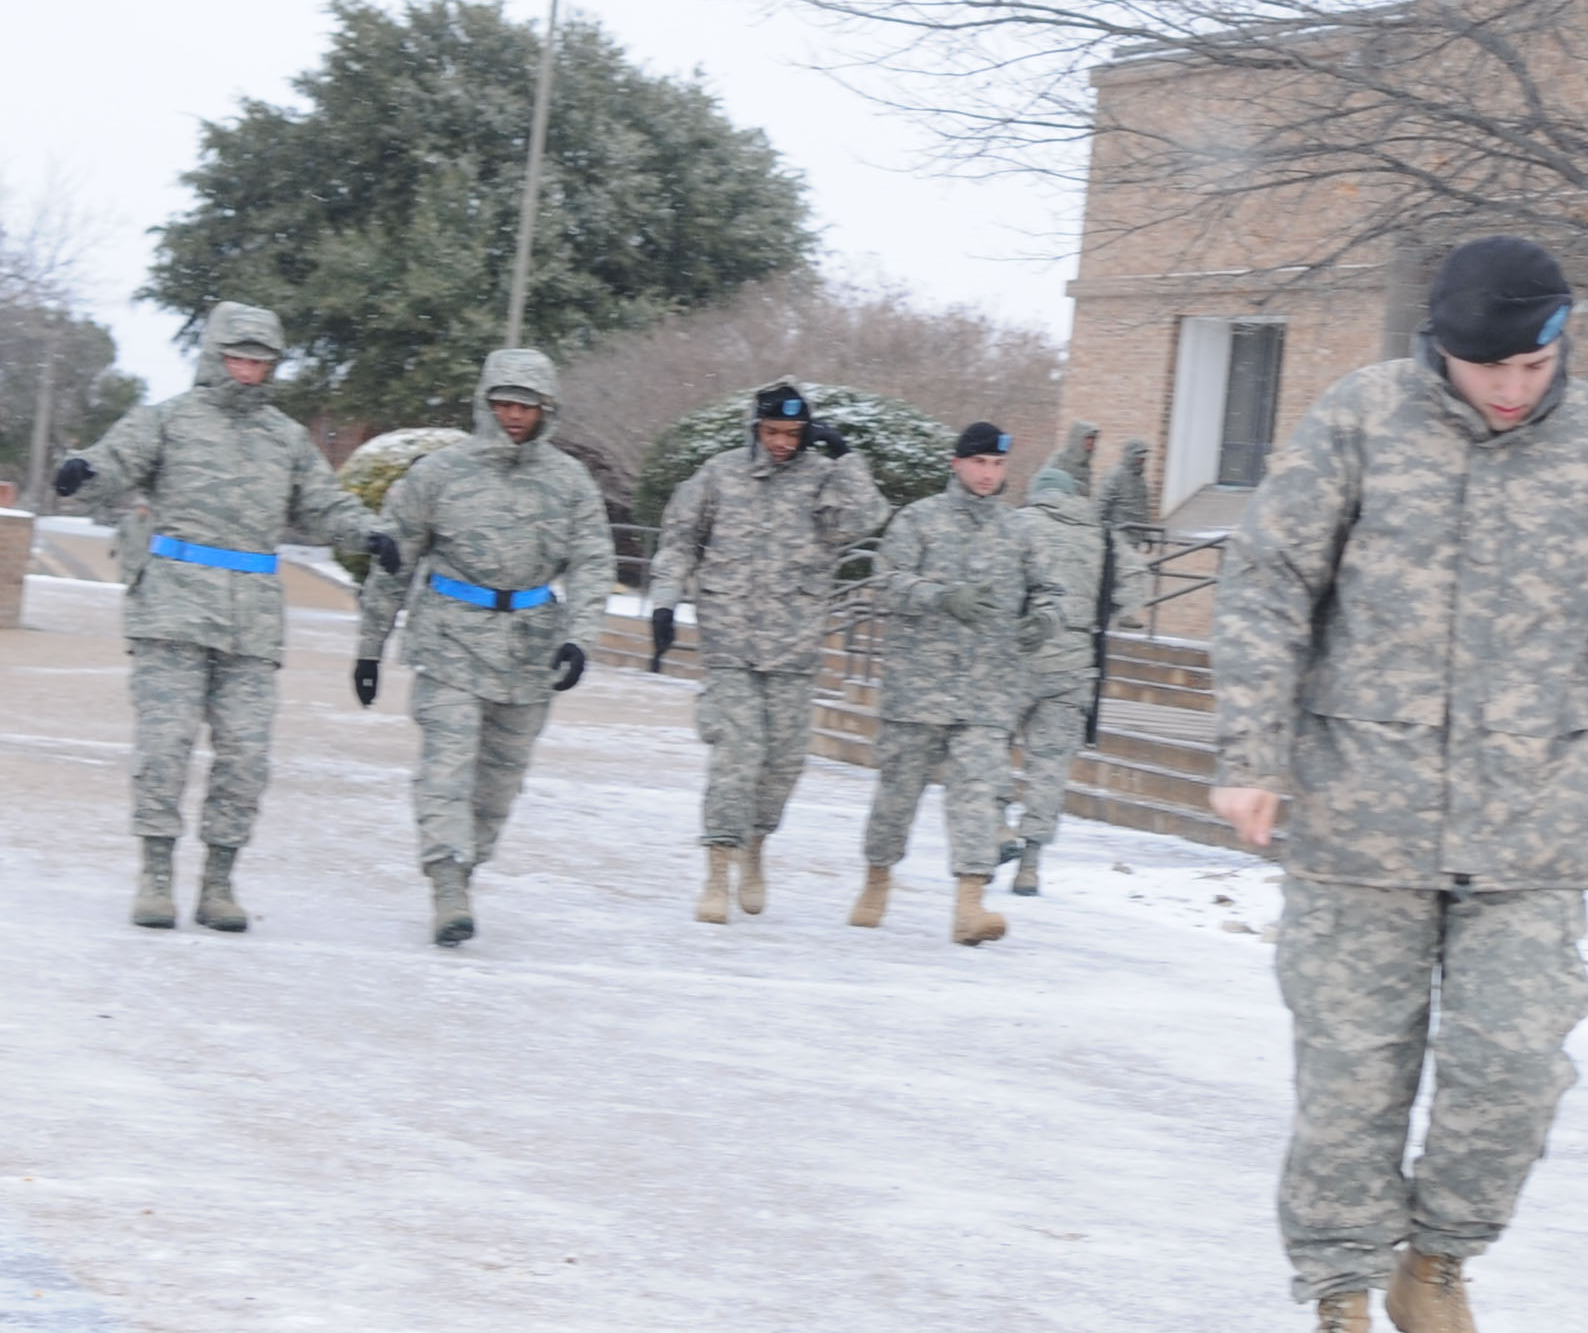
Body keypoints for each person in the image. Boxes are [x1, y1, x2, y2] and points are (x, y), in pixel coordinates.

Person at [1210, 236, 1588, 1333]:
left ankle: (1433, 1266)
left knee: (1512, 1068)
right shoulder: (1361, 419)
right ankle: (1336, 1322)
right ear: (1437, 344)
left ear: (1560, 340)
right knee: (1348, 1083)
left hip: (1531, 826)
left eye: (1530, 365)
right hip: (1357, 815)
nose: (1507, 388)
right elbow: (1269, 578)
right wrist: (1250, 751)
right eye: (1482, 366)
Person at [52, 300, 371, 932]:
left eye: (260, 361)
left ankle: (220, 881)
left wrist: (370, 533)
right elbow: (116, 460)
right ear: (215, 357)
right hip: (171, 609)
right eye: (238, 358)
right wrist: (85, 471)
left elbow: (326, 503)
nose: (249, 371)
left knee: (246, 757)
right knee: (164, 748)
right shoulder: (168, 421)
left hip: (250, 621)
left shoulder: (286, 440)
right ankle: (157, 875)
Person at [354, 347, 616, 947]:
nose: (514, 416)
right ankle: (445, 882)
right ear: (484, 403)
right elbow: (395, 561)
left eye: (526, 405)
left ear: (546, 409)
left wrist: (580, 638)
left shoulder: (569, 482)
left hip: (529, 648)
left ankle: (466, 869)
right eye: (503, 403)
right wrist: (370, 646)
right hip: (449, 635)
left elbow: (594, 563)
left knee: (498, 781)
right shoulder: (437, 474)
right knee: (446, 764)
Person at [644, 381, 887, 921]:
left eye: (794, 434)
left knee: (782, 766)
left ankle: (754, 847)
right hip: (729, 642)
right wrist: (663, 603)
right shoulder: (719, 475)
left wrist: (846, 455)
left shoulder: (823, 480)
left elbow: (868, 518)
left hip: (794, 649)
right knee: (736, 756)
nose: (781, 442)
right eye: (772, 431)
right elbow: (680, 537)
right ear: (754, 428)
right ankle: (717, 871)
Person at [855, 422, 1064, 945]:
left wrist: (1044, 619)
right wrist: (939, 596)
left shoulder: (1021, 532)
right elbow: (886, 581)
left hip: (987, 693)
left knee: (977, 797)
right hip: (917, 690)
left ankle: (970, 906)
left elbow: (1051, 593)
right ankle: (878, 876)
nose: (989, 474)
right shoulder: (920, 520)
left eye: (997, 465)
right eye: (979, 464)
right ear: (957, 463)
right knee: (896, 800)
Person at [998, 425, 1108, 898]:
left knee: (989, 744)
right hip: (1075, 664)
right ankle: (1031, 864)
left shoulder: (1019, 524)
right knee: (1048, 767)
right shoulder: (1100, 536)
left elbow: (999, 586)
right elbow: (1131, 590)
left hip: (1020, 655)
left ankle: (996, 826)